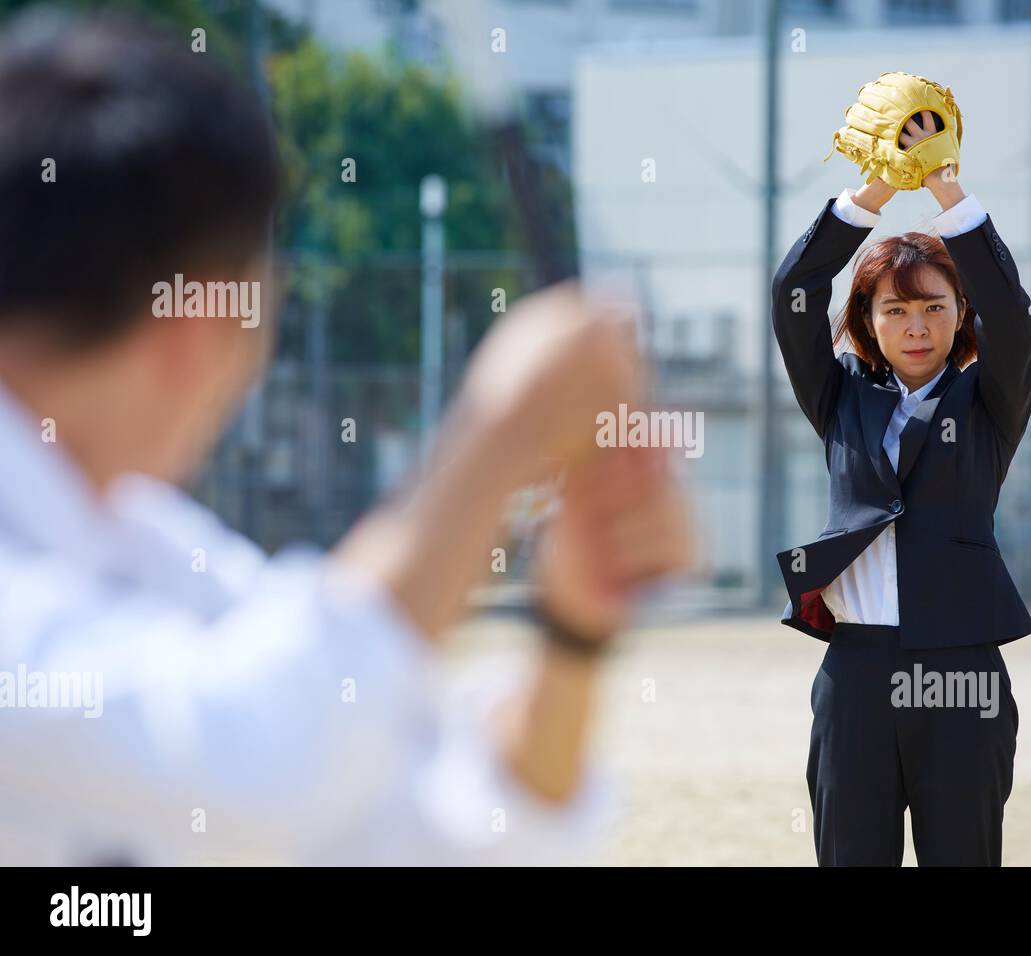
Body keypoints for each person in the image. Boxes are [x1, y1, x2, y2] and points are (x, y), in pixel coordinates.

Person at [0, 10, 691, 864]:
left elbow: (415, 822)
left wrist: (573, 631)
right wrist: (499, 436)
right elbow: (256, 759)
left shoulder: (136, 543)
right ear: (199, 323)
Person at [771, 111, 1031, 866]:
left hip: (961, 673)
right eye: (895, 309)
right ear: (868, 320)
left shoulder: (993, 400)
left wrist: (945, 186)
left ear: (961, 317)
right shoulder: (840, 394)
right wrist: (881, 185)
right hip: (854, 672)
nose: (916, 325)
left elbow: (1013, 316)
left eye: (933, 307)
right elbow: (795, 290)